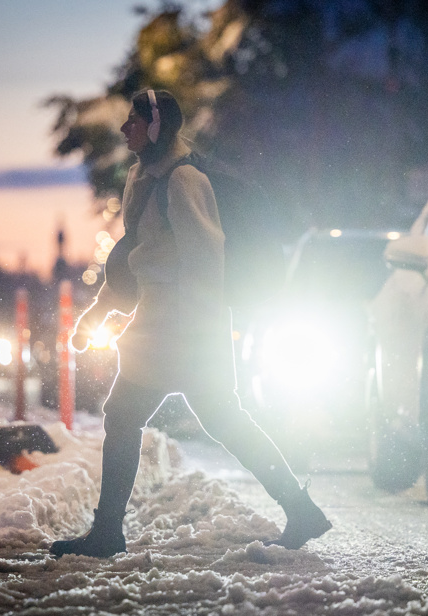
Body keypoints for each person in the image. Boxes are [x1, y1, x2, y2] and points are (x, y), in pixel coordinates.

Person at [49, 89, 331, 558]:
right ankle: (300, 509)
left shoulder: (184, 181)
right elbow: (135, 259)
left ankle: (107, 533)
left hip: (181, 328)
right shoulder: (143, 178)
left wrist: (196, 333)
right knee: (225, 422)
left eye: (134, 121)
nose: (124, 129)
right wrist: (99, 313)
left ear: (156, 127)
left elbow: (206, 258)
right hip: (167, 325)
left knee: (126, 416)